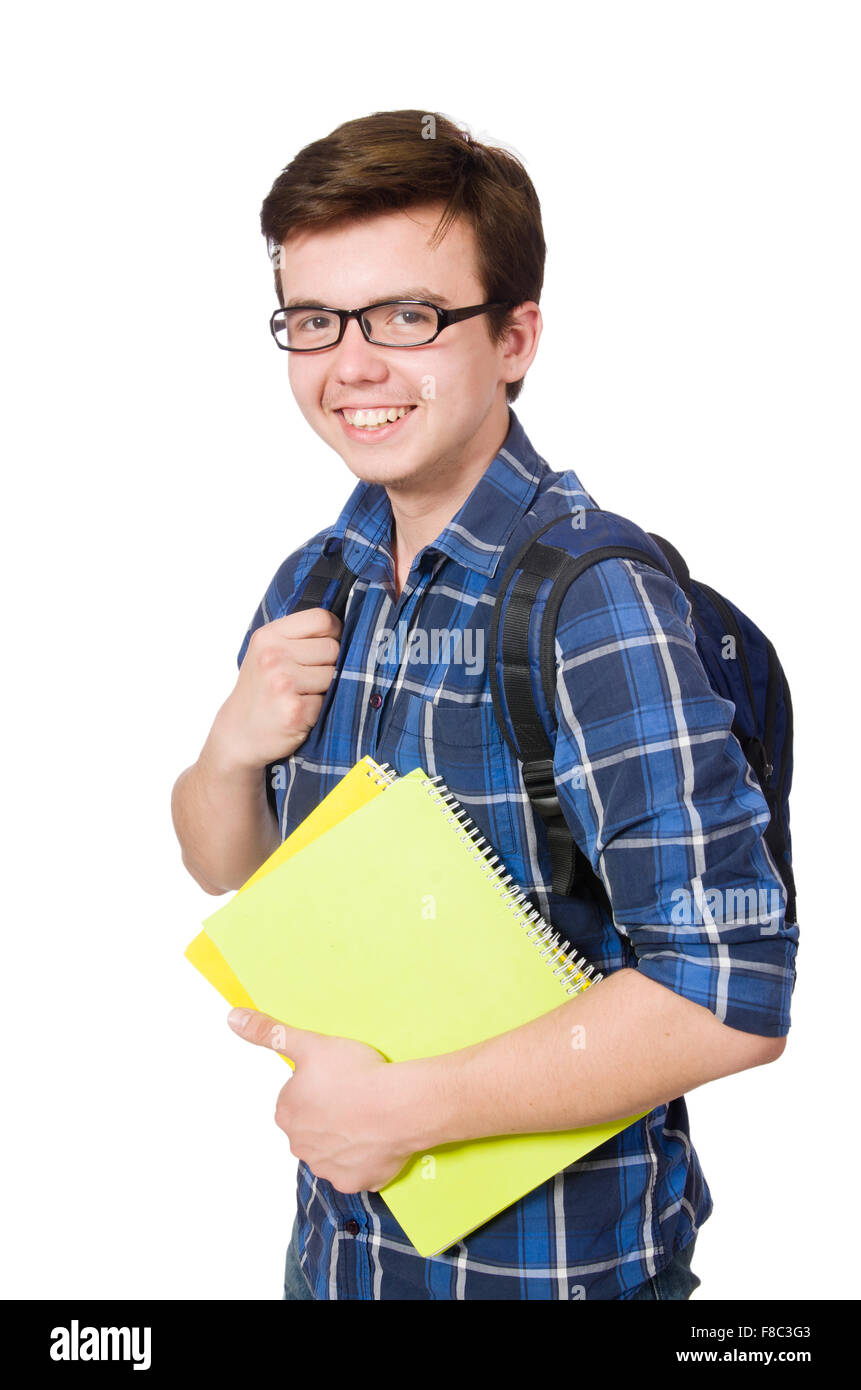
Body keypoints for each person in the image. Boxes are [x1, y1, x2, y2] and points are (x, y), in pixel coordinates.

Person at [171, 110, 797, 1301]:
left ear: (515, 338)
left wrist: (398, 1110)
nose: (350, 363)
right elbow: (227, 862)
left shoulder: (593, 602)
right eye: (314, 320)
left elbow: (729, 998)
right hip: (341, 1261)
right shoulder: (317, 582)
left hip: (555, 1279)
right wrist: (225, 751)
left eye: (408, 317)